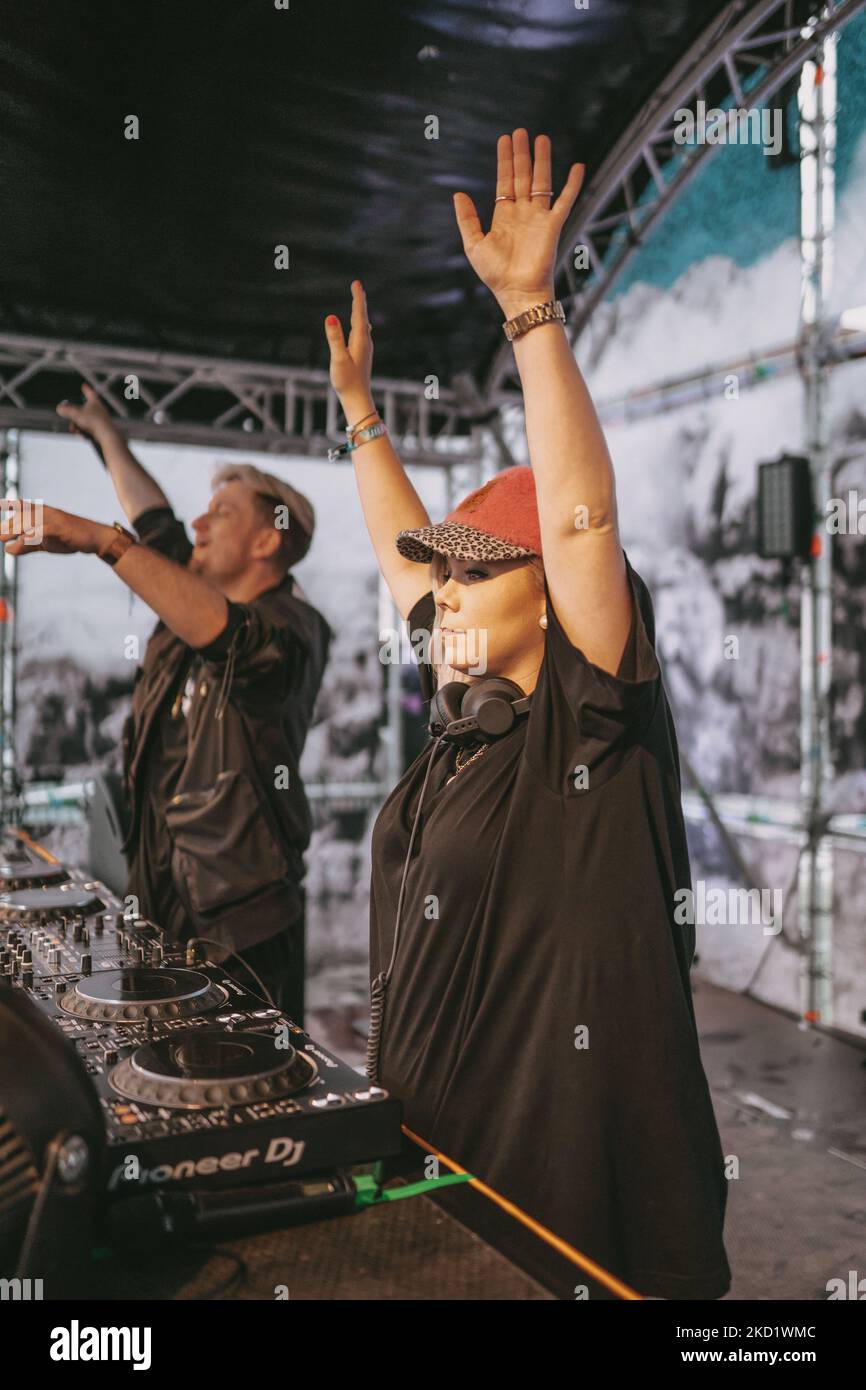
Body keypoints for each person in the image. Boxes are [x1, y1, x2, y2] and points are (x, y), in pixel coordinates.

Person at [322, 128, 731, 1300]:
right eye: (439, 577)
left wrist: (529, 313)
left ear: (552, 605)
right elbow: (409, 559)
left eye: (472, 574)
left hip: (570, 1219)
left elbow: (581, 527)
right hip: (446, 1178)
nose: (439, 595)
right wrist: (360, 418)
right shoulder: (467, 702)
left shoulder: (587, 719)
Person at [3, 392, 332, 1020]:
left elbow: (228, 633)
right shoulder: (190, 593)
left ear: (268, 540)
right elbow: (155, 524)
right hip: (163, 900)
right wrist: (107, 434)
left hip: (240, 924)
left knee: (239, 1086)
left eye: (221, 514)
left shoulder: (292, 630)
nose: (199, 527)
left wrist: (101, 539)